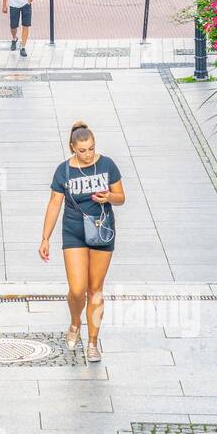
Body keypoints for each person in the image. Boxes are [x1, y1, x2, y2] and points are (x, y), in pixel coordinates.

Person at [39, 121, 126, 363]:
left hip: (102, 231)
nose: (88, 155)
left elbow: (121, 198)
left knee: (95, 289)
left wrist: (109, 196)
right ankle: (75, 323)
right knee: (77, 290)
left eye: (91, 148)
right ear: (72, 148)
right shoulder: (64, 171)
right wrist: (45, 237)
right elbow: (54, 204)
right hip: (74, 233)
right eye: (82, 150)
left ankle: (92, 342)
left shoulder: (107, 165)